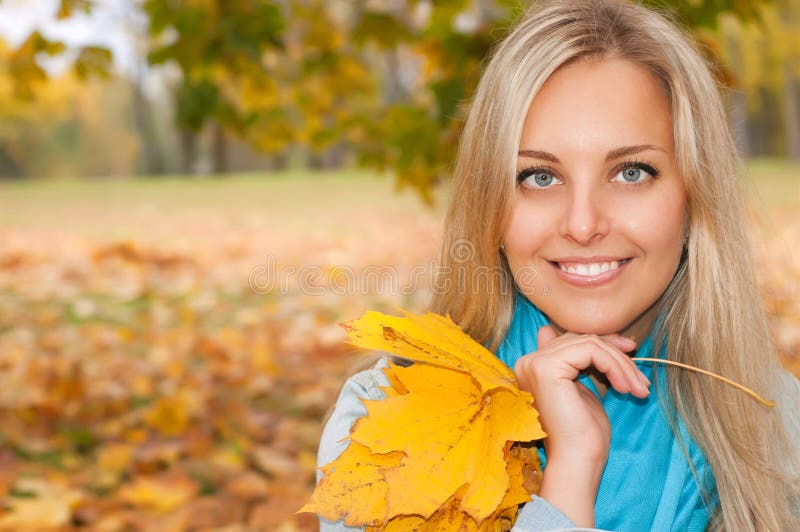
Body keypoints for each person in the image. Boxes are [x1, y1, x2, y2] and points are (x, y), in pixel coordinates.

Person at [314, 0, 800, 530]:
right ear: (490, 208)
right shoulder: (388, 418)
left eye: (632, 172)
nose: (584, 224)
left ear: (694, 199)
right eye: (539, 177)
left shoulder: (775, 425)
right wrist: (570, 474)